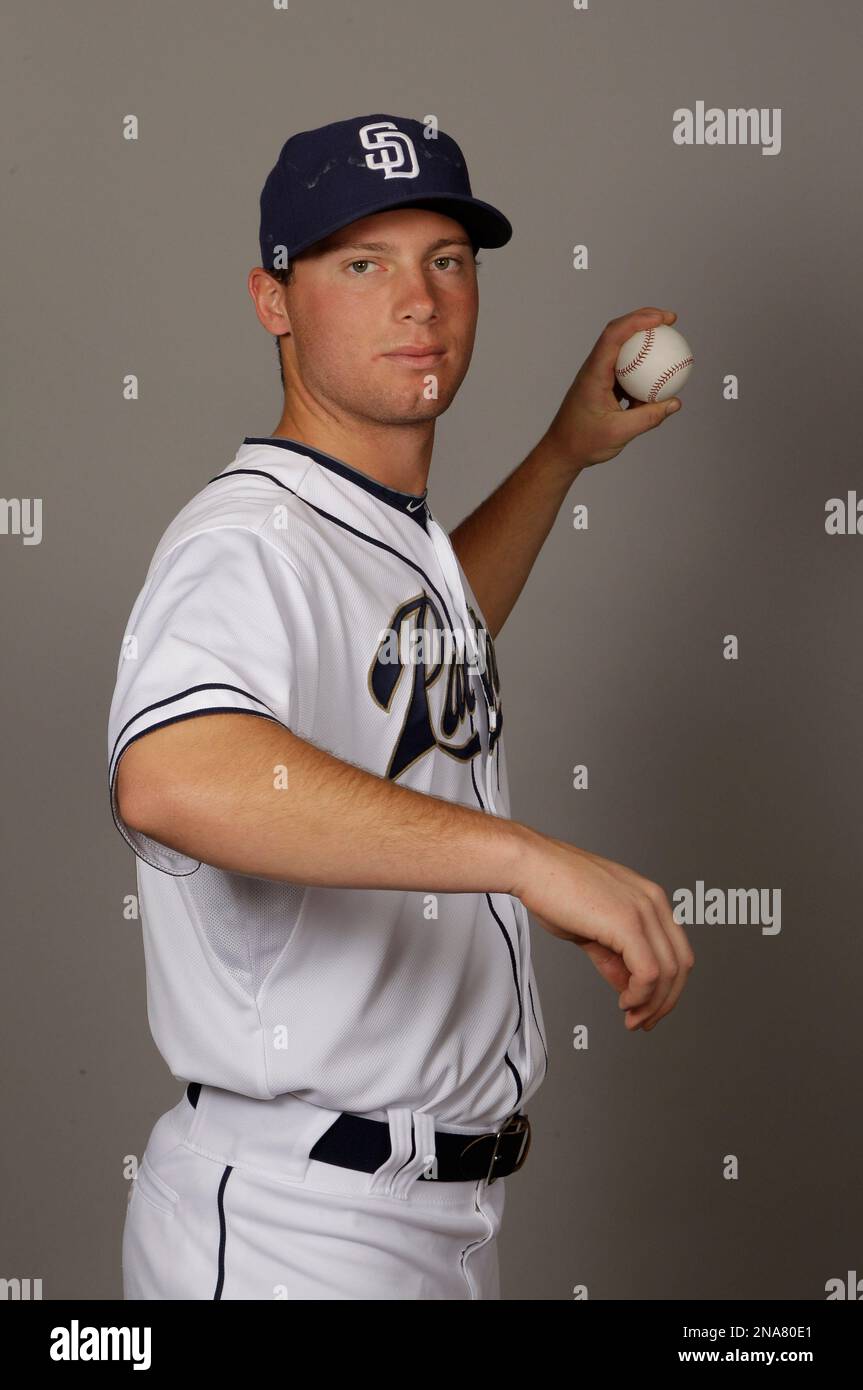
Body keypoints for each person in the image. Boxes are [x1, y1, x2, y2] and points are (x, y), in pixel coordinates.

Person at [108, 112, 694, 1301]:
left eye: (447, 260)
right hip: (293, 1226)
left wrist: (560, 455)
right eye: (361, 264)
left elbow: (413, 652)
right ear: (274, 299)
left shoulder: (380, 533)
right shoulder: (245, 540)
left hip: (417, 1222)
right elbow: (173, 775)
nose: (417, 301)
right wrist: (524, 859)